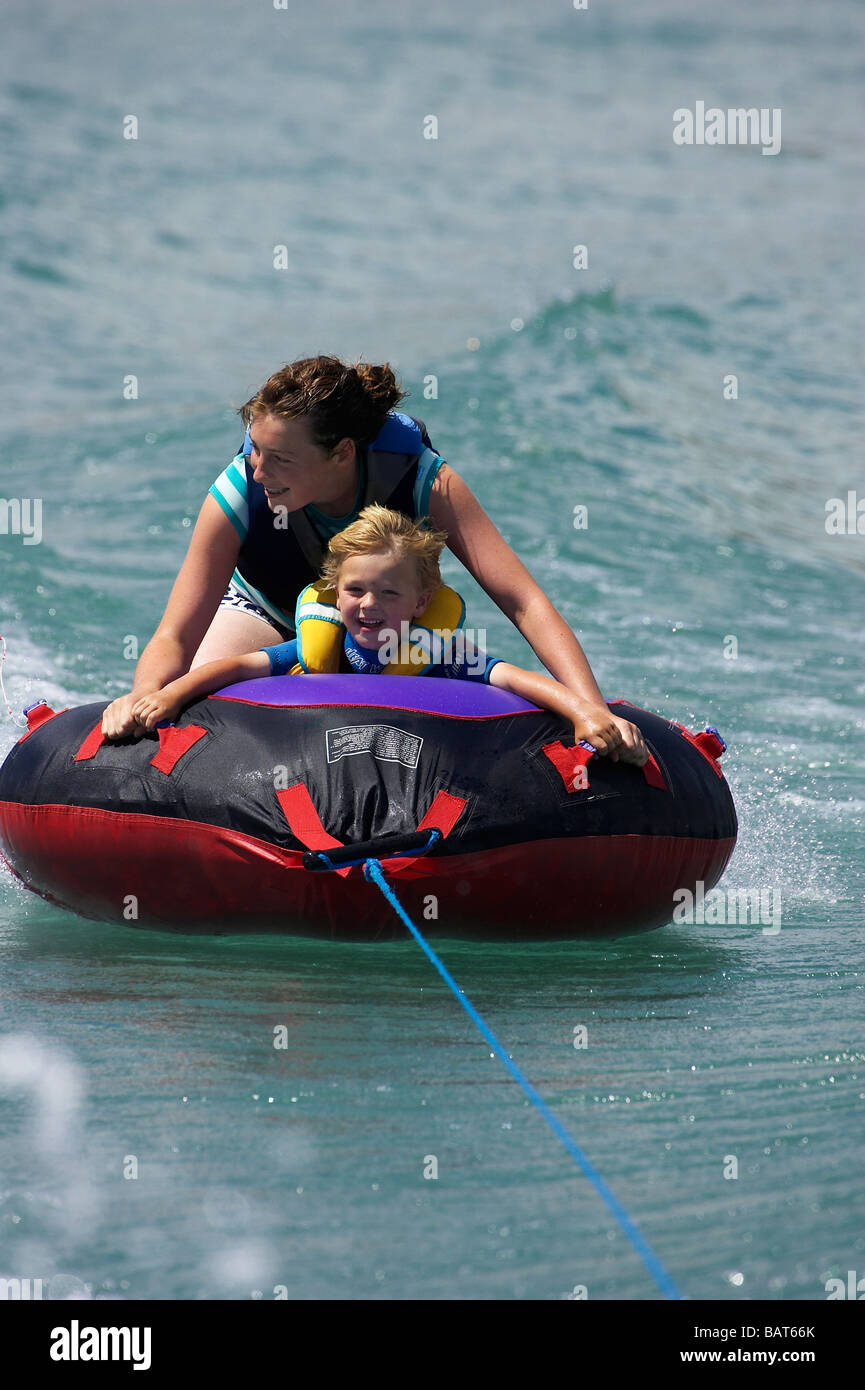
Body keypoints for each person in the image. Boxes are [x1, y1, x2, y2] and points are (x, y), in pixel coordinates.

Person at [103, 354, 647, 763]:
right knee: (204, 706)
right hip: (264, 613)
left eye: (282, 458)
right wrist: (145, 700)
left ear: (342, 453)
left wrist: (590, 708)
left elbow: (523, 600)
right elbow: (176, 632)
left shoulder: (420, 479)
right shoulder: (239, 491)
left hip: (387, 621)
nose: (259, 471)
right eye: (254, 449)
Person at [131, 506, 635, 756]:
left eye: (388, 594)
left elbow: (515, 679)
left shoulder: (434, 649)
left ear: (419, 603)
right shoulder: (322, 646)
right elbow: (239, 666)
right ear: (335, 592)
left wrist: (585, 711)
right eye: (354, 591)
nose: (368, 606)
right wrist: (171, 696)